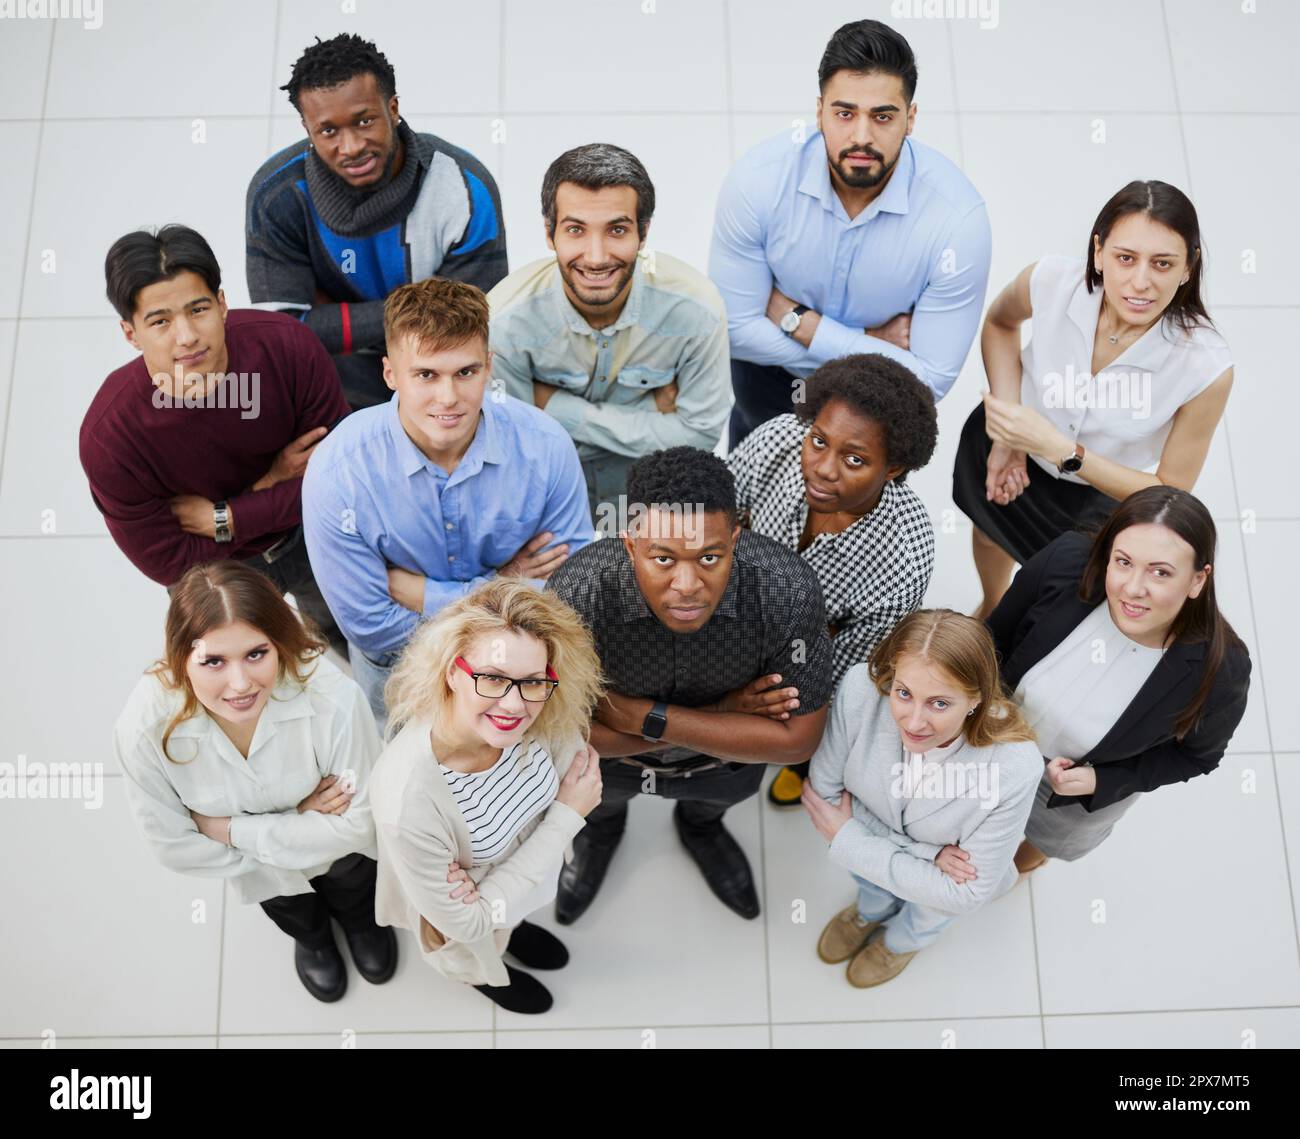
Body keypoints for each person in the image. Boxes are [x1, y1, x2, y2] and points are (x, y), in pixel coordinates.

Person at [546, 447, 834, 924]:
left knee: (710, 808)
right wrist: (726, 714)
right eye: (663, 558)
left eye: (709, 556)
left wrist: (645, 716)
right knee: (600, 811)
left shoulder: (786, 588)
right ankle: (600, 835)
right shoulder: (579, 591)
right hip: (610, 765)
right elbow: (560, 736)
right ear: (631, 543)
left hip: (724, 767)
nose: (687, 584)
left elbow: (797, 742)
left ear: (735, 537)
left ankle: (701, 831)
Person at [302, 277, 593, 733]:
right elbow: (373, 629)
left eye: (465, 372)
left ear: (489, 366)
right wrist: (505, 585)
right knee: (410, 796)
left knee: (524, 798)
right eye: (426, 375)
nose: (448, 398)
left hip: (522, 681)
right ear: (390, 375)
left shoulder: (546, 447)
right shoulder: (338, 472)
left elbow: (571, 595)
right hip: (399, 674)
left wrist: (424, 595)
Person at [114, 562, 393, 1004]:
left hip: (339, 858)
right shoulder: (143, 728)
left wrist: (231, 830)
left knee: (355, 885)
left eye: (256, 654)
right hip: (263, 875)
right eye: (213, 661)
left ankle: (362, 924)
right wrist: (300, 818)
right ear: (180, 658)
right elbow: (173, 847)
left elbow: (360, 824)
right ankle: (315, 939)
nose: (240, 683)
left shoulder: (333, 698)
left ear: (279, 643)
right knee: (289, 906)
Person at [954, 180, 1234, 618]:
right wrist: (1007, 428)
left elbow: (1170, 491)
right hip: (1009, 441)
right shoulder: (1050, 280)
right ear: (1099, 252)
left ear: (1188, 267)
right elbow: (1000, 324)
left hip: (1102, 490)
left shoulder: (1206, 367)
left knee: (1058, 586)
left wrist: (1065, 452)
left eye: (1163, 264)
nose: (1140, 283)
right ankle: (991, 604)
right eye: (1126, 258)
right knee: (990, 531)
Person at [710, 18, 990, 446]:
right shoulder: (758, 182)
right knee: (752, 496)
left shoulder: (957, 221)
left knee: (860, 509)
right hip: (771, 382)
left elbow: (929, 381)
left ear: (910, 119)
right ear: (819, 111)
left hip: (877, 403)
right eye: (845, 113)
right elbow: (732, 329)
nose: (861, 136)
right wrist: (869, 343)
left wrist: (801, 323)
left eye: (883, 116)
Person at [81, 224, 350, 648]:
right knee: (247, 680)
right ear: (130, 334)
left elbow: (340, 483)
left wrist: (222, 518)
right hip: (214, 570)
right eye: (160, 321)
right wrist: (270, 485)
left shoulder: (288, 348)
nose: (186, 336)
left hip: (314, 529)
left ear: (222, 304)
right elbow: (170, 562)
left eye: (198, 309)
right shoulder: (111, 437)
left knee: (350, 632)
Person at [370, 579, 604, 1015]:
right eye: (493, 678)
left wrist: (482, 886)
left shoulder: (546, 714)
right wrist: (567, 816)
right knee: (478, 946)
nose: (515, 706)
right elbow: (467, 921)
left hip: (509, 883)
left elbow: (573, 765)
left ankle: (513, 927)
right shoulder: (408, 800)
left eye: (532, 681)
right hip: (476, 919)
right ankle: (487, 977)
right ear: (452, 673)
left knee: (507, 916)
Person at [987, 486, 1251, 873]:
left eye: (1160, 572)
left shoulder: (1222, 669)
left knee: (1045, 842)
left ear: (1198, 580)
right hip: (994, 740)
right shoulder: (1065, 561)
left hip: (1072, 794)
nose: (1132, 589)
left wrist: (1101, 780)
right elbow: (994, 637)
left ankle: (1021, 867)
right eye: (1123, 562)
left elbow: (1198, 756)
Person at [247, 33, 508, 411]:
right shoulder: (276, 196)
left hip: (440, 372)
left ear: (394, 108)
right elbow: (287, 334)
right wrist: (426, 301)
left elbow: (474, 322)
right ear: (308, 129)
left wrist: (333, 316)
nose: (351, 147)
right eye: (328, 131)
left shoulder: (464, 186)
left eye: (364, 120)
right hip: (332, 376)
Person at [727, 352, 937, 807]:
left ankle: (801, 769)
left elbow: (836, 674)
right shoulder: (780, 437)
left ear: (894, 468)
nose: (823, 468)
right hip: (723, 613)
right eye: (819, 441)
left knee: (806, 736)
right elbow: (715, 512)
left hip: (791, 675)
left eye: (855, 459)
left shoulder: (904, 558)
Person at [488, 143, 731, 518]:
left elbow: (699, 437)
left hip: (654, 511)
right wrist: (653, 413)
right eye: (575, 230)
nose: (597, 256)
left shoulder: (697, 312)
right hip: (551, 511)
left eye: (617, 229)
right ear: (550, 233)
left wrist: (557, 407)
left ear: (644, 233)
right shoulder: (505, 319)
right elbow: (522, 450)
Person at [803, 610, 1040, 988]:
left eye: (939, 704)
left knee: (929, 912)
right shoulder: (859, 692)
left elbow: (964, 893)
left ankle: (900, 942)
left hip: (931, 898)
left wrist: (851, 837)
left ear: (976, 699)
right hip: (888, 867)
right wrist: (928, 854)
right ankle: (872, 910)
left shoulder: (1015, 766)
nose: (913, 723)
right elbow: (823, 796)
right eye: (903, 693)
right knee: (872, 883)